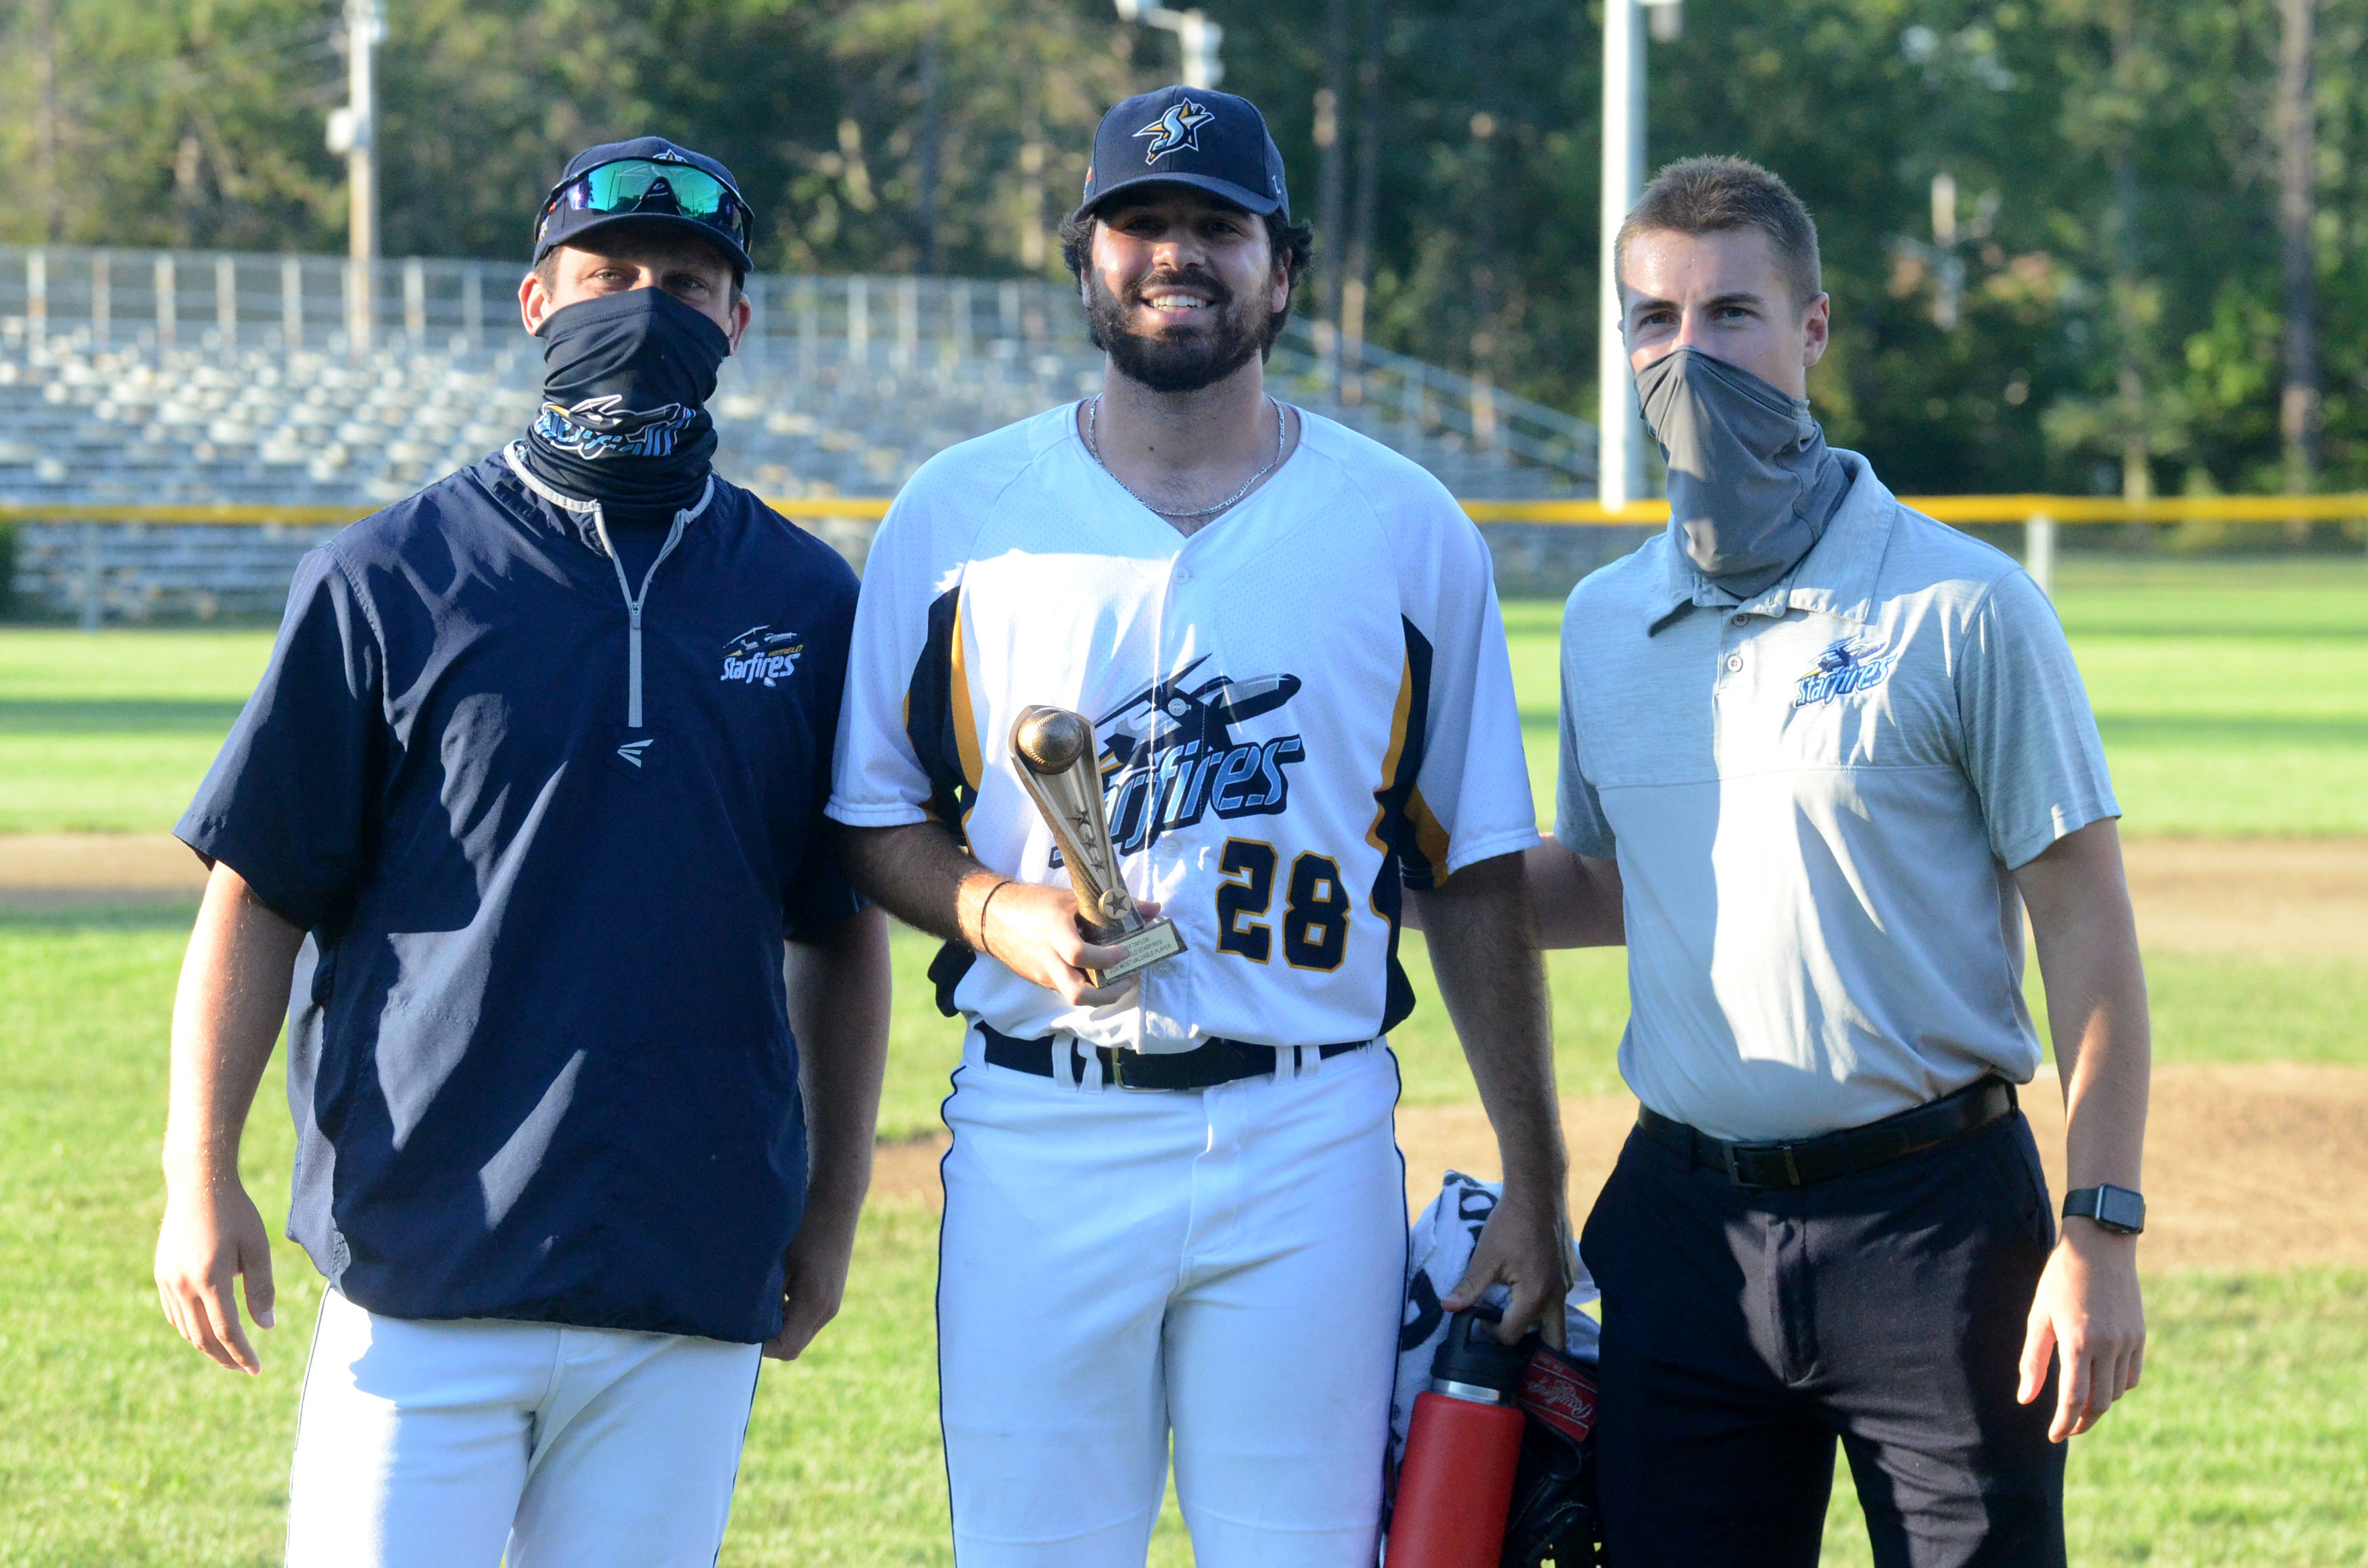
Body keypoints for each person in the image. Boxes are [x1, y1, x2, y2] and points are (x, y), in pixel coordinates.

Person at [827, 84, 1571, 1567]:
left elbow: (1470, 874)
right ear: (1086, 263)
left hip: (1311, 1130)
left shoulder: (1407, 527)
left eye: (1216, 227)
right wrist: (994, 910)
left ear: (1282, 270)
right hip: (1043, 1117)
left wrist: (1537, 1179)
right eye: (1140, 225)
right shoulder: (959, 515)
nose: (1178, 255)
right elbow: (869, 820)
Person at [151, 136, 890, 1568]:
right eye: (610, 274)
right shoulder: (387, 577)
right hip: (426, 1252)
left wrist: (834, 1205)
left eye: (688, 282)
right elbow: (257, 899)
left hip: (686, 1254)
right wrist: (201, 1176)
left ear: (738, 322)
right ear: (535, 299)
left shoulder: (806, 598)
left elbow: (839, 927)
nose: (647, 306)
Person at [1531, 155, 2151, 1567]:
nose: (1690, 352)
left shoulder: (1965, 602)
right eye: (1653, 320)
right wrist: (1364, 868)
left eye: (1731, 312)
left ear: (1813, 330)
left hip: (1933, 1227)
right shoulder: (1600, 620)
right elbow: (1612, 881)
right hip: (1684, 1225)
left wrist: (2100, 1225)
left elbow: (2087, 922)